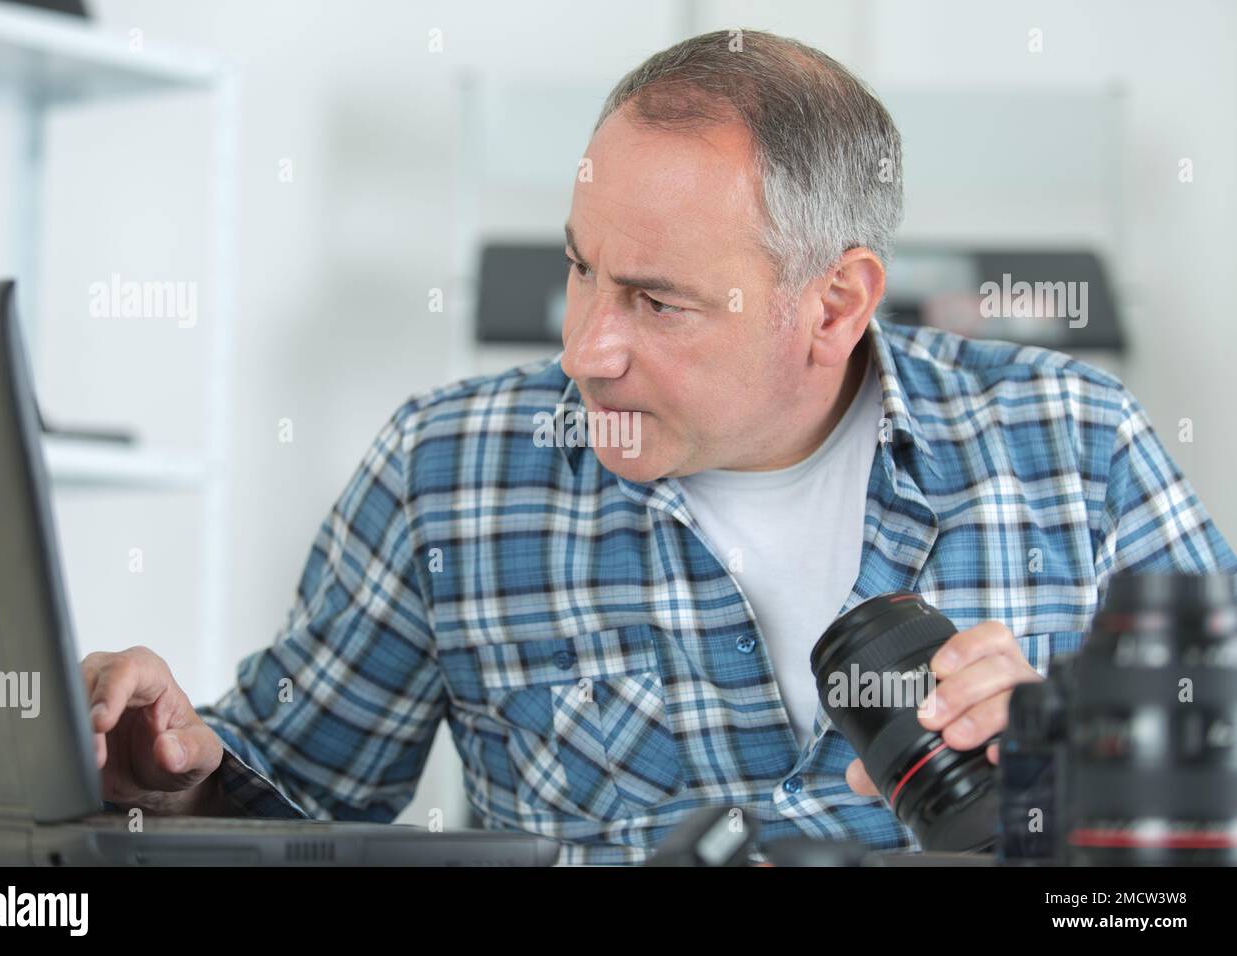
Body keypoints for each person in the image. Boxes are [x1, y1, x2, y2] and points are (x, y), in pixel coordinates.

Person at [81, 29, 1236, 865]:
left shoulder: (1074, 444)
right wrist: (168, 779)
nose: (588, 347)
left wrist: (1094, 768)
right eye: (579, 267)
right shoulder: (449, 470)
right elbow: (286, 805)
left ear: (835, 304)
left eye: (656, 300)